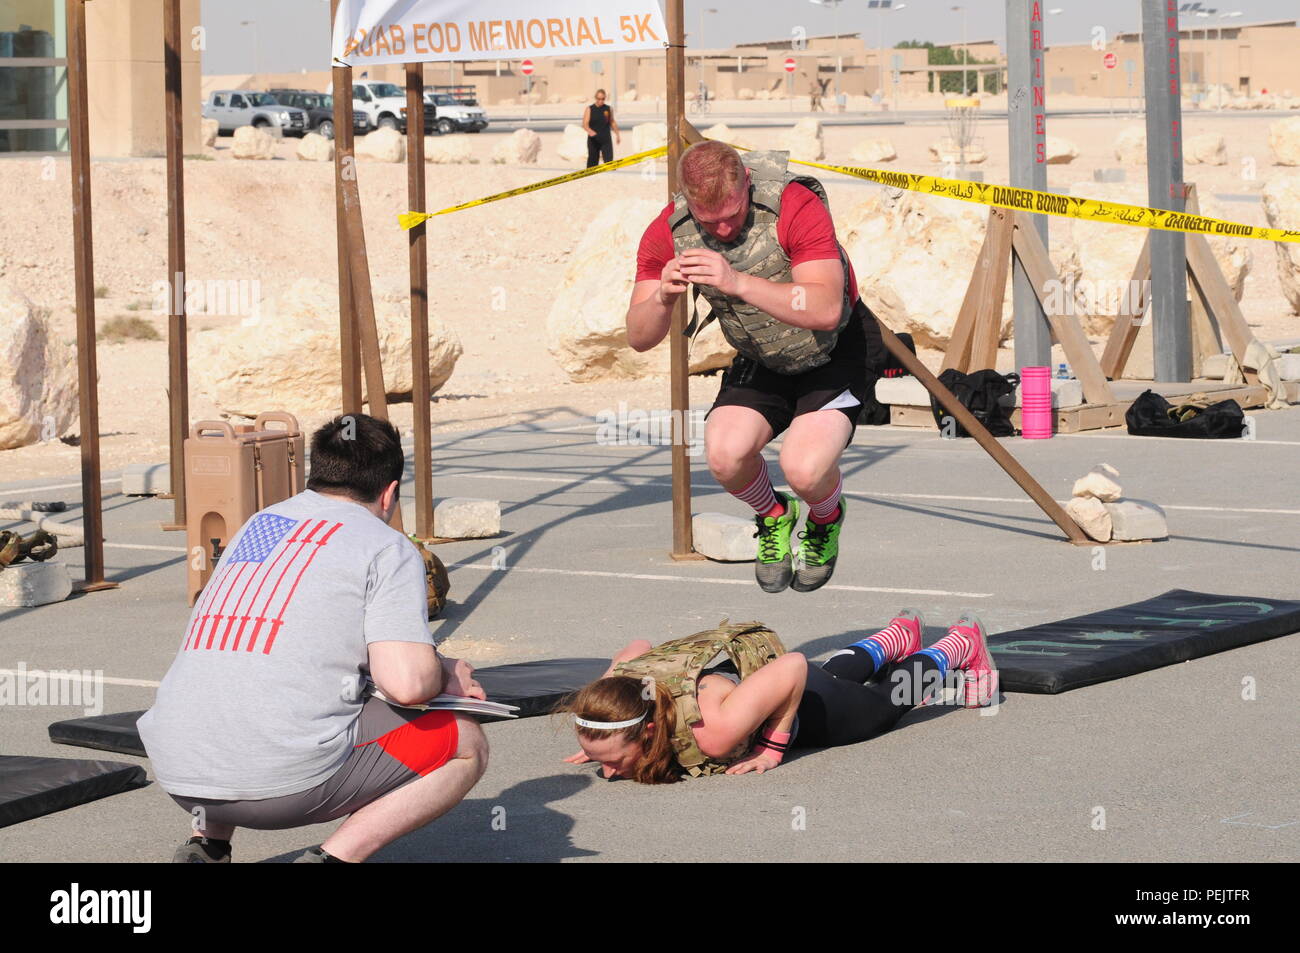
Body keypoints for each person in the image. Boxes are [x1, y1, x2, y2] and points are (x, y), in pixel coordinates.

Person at [137, 413, 489, 863]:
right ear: (389, 493)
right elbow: (407, 685)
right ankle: (335, 858)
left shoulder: (260, 524)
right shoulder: (385, 545)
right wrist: (447, 671)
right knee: (465, 742)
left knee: (248, 665)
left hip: (178, 769)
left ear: (316, 473)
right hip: (280, 786)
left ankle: (208, 846)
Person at [627, 139, 886, 593]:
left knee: (803, 468)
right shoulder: (667, 231)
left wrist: (737, 281)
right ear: (689, 202)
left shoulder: (794, 204)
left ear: (747, 180)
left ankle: (825, 519)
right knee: (725, 457)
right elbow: (639, 337)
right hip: (762, 353)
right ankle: (774, 516)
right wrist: (662, 298)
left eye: (732, 213)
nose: (725, 229)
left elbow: (825, 307)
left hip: (834, 348)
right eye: (711, 221)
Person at [563, 612, 998, 783]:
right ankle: (895, 636)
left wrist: (772, 749)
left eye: (614, 762)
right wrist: (605, 722)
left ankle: (958, 645)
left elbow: (792, 667)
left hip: (801, 703)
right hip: (769, 686)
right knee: (828, 677)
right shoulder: (634, 688)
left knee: (882, 708)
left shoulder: (712, 733)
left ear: (650, 730)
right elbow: (635, 646)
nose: (608, 771)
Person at [582, 88, 620, 168]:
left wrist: (617, 134)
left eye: (603, 99)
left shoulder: (608, 109)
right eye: (599, 99)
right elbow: (585, 124)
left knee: (609, 164)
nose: (601, 101)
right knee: (592, 165)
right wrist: (591, 132)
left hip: (606, 139)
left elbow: (612, 122)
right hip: (593, 139)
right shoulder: (589, 109)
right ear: (595, 98)